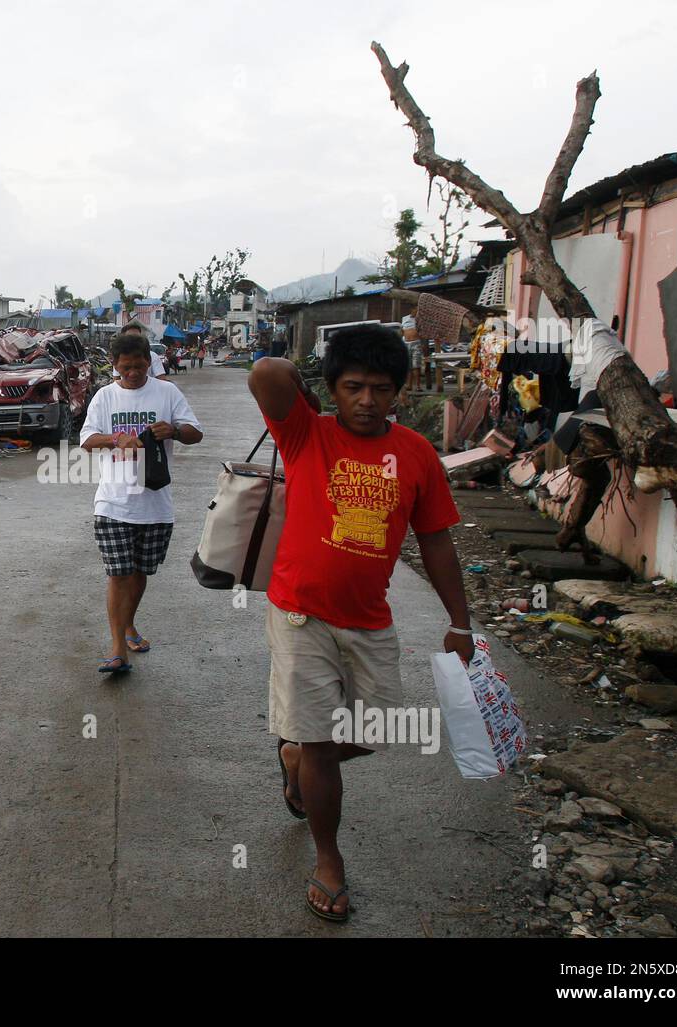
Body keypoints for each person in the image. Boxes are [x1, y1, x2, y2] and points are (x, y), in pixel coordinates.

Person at [247, 324, 472, 924]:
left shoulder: (418, 455)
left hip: (370, 618)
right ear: (333, 388)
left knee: (375, 730)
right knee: (322, 740)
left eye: (380, 388)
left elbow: (437, 541)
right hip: (299, 611)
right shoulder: (305, 434)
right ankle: (329, 861)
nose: (367, 401)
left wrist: (461, 623)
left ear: (399, 391)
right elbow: (265, 373)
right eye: (353, 387)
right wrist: (309, 393)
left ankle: (295, 758)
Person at [80, 333, 203, 675]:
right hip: (113, 503)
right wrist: (115, 438)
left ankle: (129, 624)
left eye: (138, 366)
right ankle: (118, 647)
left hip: (155, 504)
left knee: (139, 573)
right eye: (125, 368)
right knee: (118, 574)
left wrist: (174, 431)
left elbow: (196, 432)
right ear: (115, 366)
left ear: (149, 362)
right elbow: (88, 440)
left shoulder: (167, 393)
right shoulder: (105, 397)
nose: (132, 373)